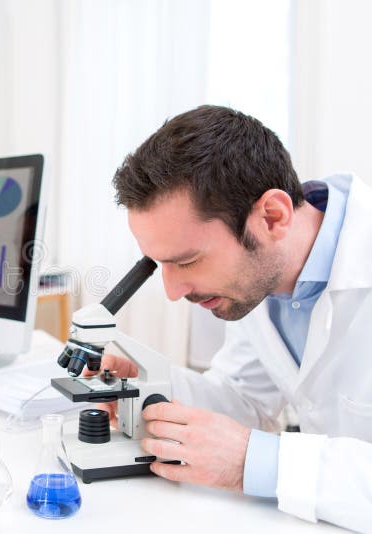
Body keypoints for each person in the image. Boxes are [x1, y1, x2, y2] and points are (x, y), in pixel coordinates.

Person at [97, 105, 371, 532]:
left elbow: (249, 447)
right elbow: (245, 402)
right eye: (160, 265)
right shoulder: (261, 279)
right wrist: (150, 383)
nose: (172, 292)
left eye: (186, 261)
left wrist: (256, 463)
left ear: (272, 217)